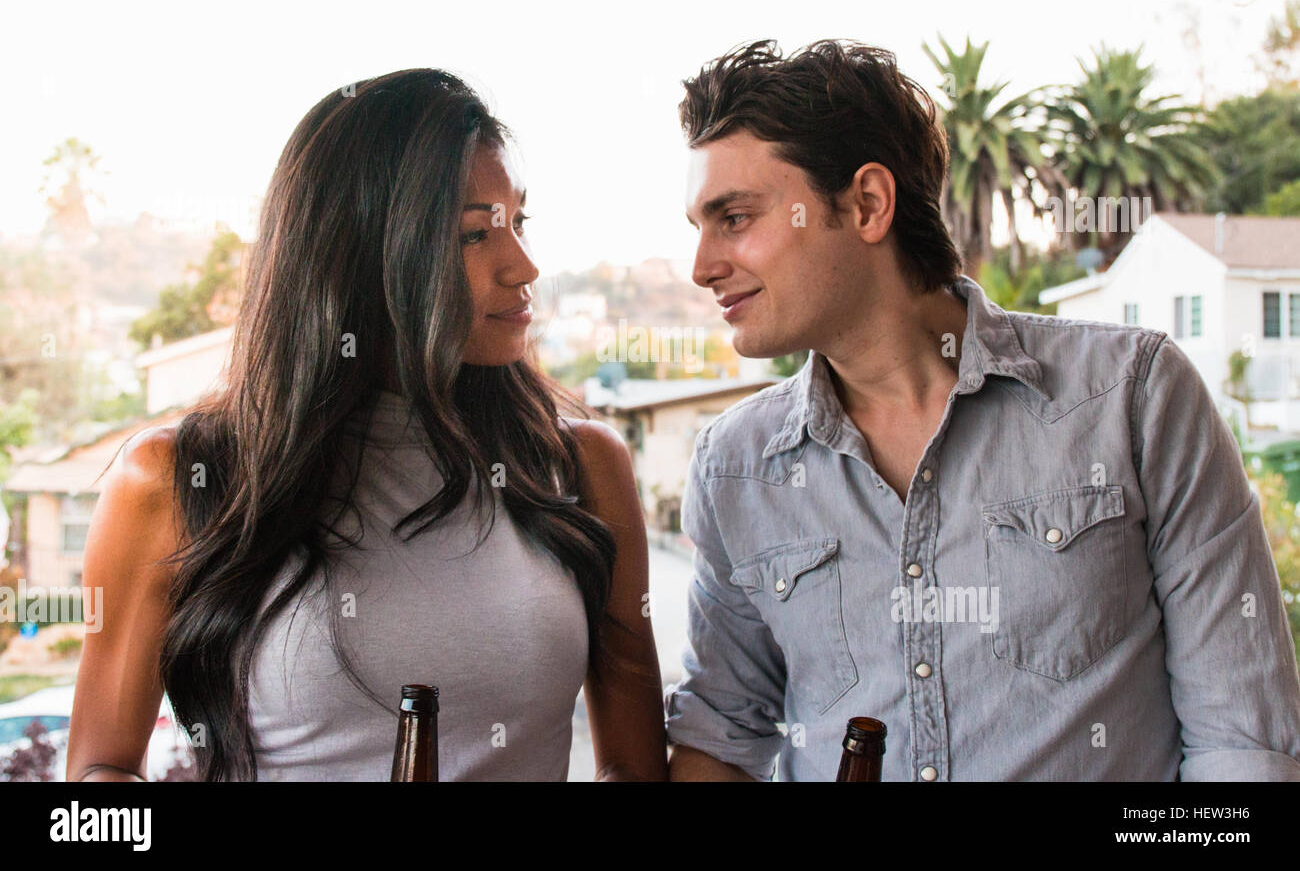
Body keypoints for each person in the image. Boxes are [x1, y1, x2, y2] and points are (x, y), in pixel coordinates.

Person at [666, 38, 1300, 781]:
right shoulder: (736, 470)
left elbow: (1241, 744)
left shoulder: (1133, 396)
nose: (703, 266)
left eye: (734, 218)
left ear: (867, 203)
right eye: (699, 229)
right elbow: (723, 734)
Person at [67, 69, 667, 781]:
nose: (525, 266)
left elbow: (635, 772)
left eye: (518, 222)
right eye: (475, 234)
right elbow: (97, 782)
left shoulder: (581, 466)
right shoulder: (178, 479)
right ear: (359, 257)